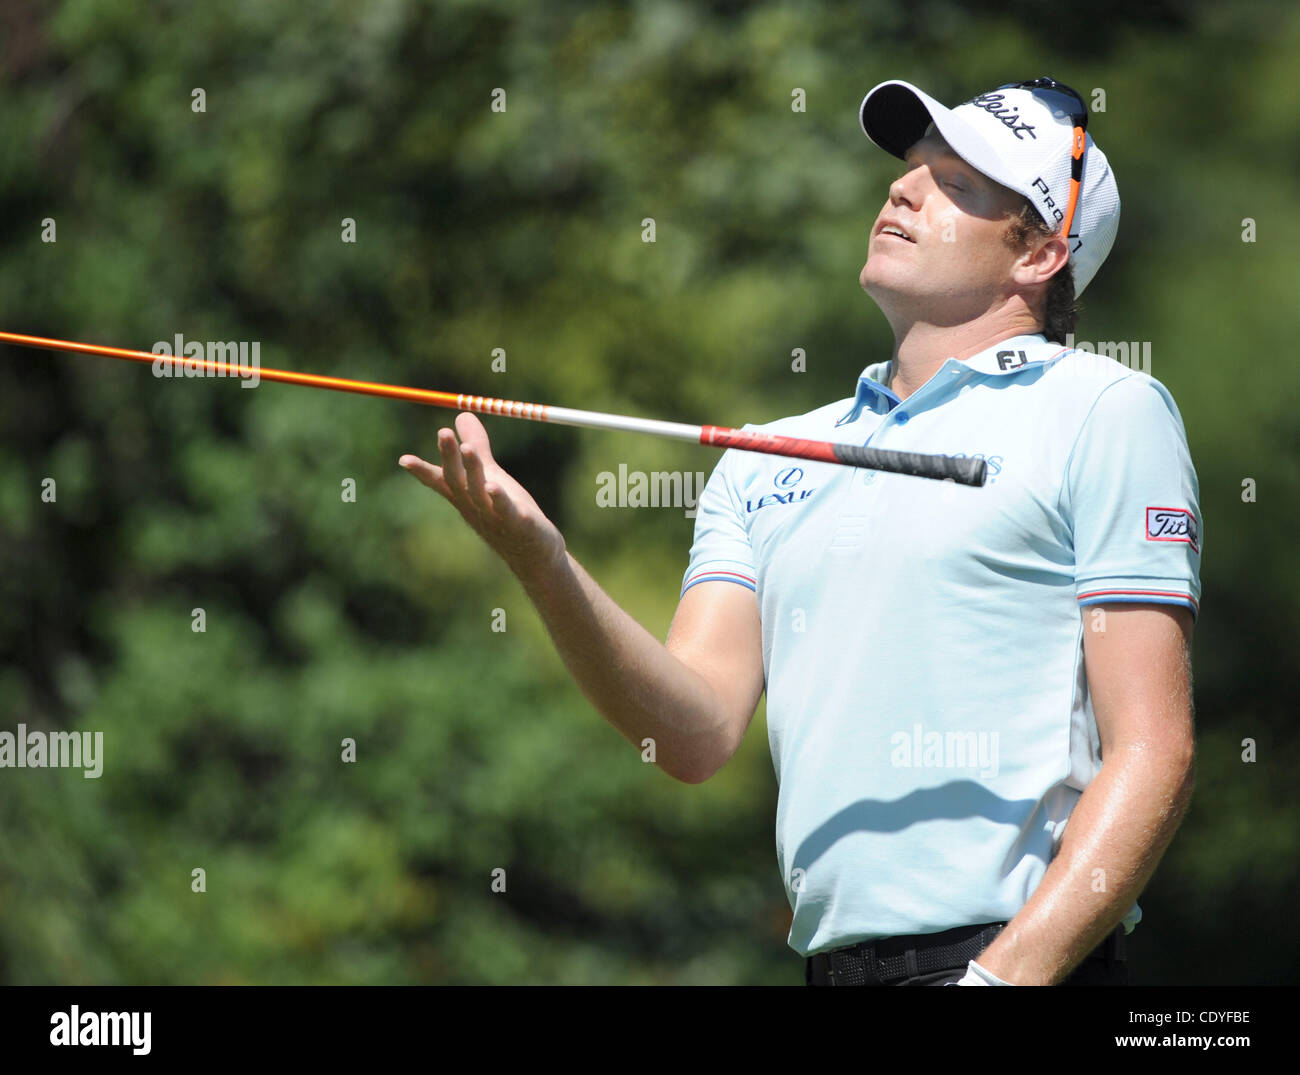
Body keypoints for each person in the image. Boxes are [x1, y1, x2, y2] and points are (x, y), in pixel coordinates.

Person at [398, 77, 1201, 987]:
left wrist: (998, 981)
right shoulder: (763, 457)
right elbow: (694, 732)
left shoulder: (1106, 410)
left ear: (1040, 256)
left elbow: (1155, 752)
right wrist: (544, 564)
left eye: (955, 184)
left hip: (1018, 962)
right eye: (912, 168)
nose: (903, 189)